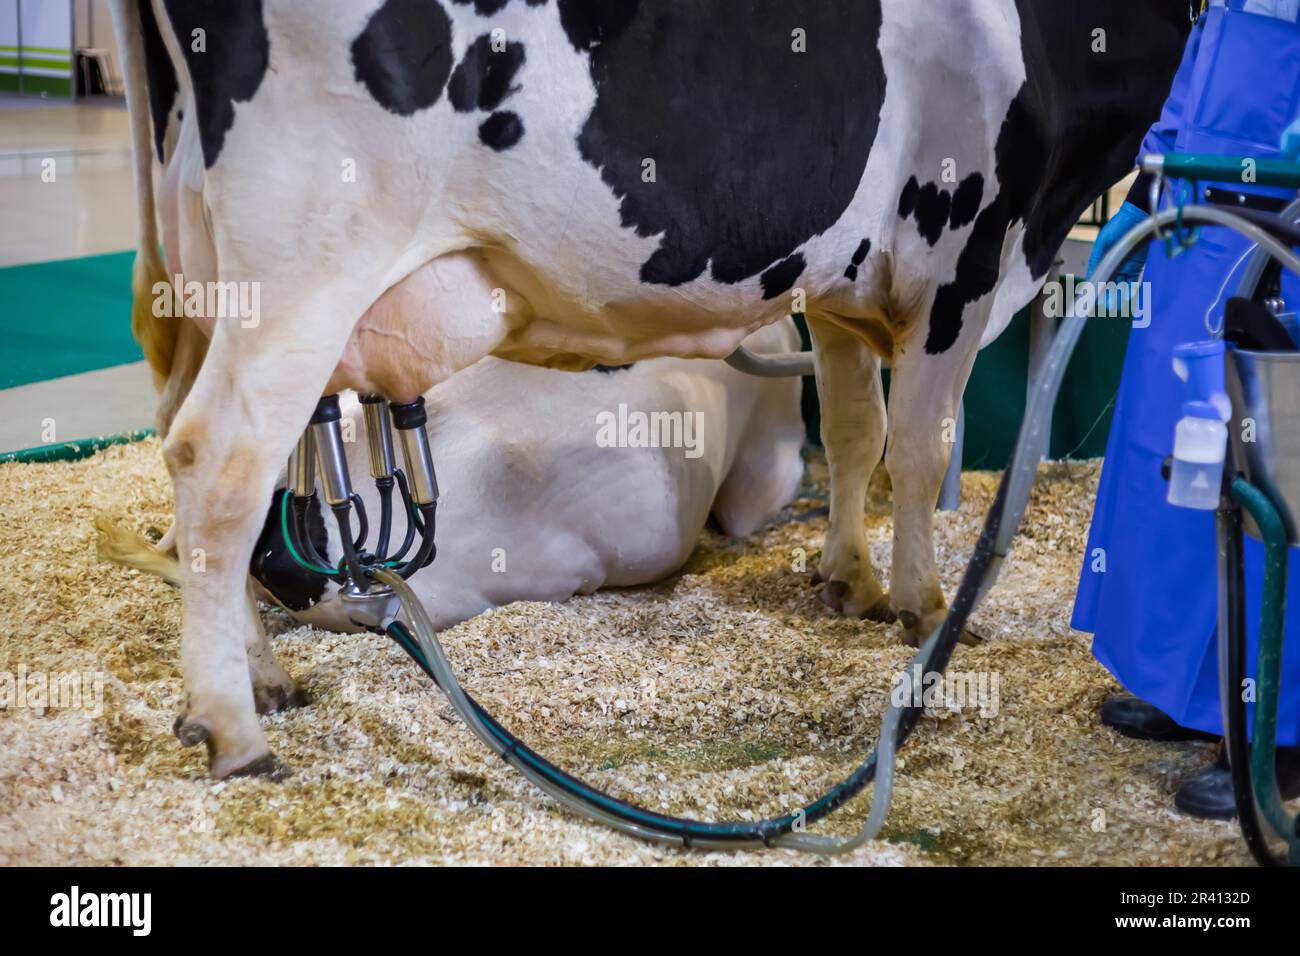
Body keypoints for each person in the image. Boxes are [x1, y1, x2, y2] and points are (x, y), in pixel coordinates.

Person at [1074, 0, 1300, 819]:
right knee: (1172, 454)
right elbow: (1213, 48)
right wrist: (1146, 186)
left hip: (1278, 222)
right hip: (1193, 220)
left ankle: (1276, 729)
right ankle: (1184, 685)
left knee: (1267, 466)